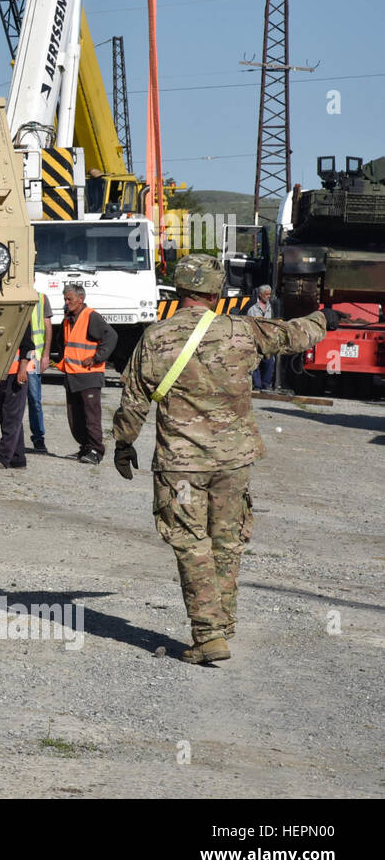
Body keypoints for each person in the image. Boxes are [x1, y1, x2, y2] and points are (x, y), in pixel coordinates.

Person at [110, 255, 328, 665]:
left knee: (191, 543)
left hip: (181, 464)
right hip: (234, 460)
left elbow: (134, 398)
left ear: (178, 291)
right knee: (228, 541)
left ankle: (208, 635)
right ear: (215, 292)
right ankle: (222, 622)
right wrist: (323, 317)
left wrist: (123, 444)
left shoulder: (156, 336)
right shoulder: (242, 330)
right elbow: (293, 336)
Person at [56, 284, 118, 464]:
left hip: (89, 375)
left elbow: (111, 336)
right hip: (72, 375)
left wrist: (97, 358)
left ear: (80, 300)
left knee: (91, 417)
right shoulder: (69, 318)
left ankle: (95, 450)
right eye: (65, 299)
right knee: (76, 417)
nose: (66, 303)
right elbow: (64, 343)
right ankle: (85, 448)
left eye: (70, 300)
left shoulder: (91, 316)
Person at [0, 322, 32, 469]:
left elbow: (27, 346)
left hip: (16, 374)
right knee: (6, 416)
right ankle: (17, 457)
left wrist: (22, 369)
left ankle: (1, 457)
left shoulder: (22, 318)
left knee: (12, 418)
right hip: (1, 373)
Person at [26, 290, 53, 452]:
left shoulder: (41, 298)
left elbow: (48, 327)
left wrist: (46, 355)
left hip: (33, 357)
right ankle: (10, 438)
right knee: (11, 401)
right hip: (16, 357)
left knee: (34, 399)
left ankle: (38, 438)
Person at [247, 285, 277, 390]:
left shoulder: (272, 308)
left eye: (270, 294)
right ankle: (257, 385)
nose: (269, 296)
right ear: (260, 295)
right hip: (256, 339)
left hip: (267, 340)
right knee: (255, 362)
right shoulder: (252, 309)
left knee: (270, 361)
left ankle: (266, 384)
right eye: (266, 294)